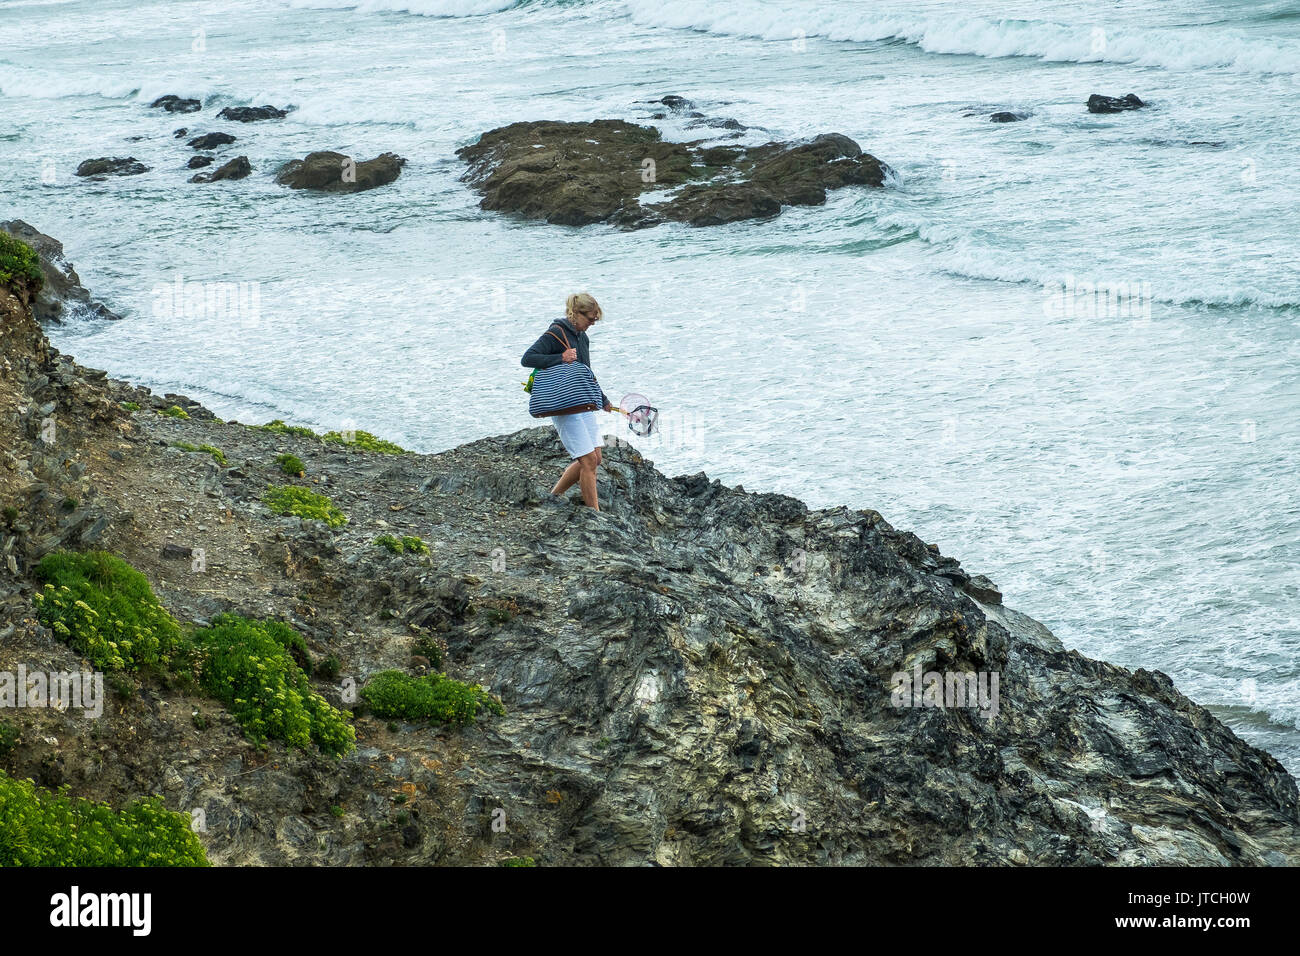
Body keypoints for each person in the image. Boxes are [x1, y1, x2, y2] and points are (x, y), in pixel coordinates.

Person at [521, 292, 613, 510]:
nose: (592, 323)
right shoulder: (555, 333)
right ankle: (595, 514)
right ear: (575, 313)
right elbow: (528, 358)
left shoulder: (583, 337)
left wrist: (603, 399)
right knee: (588, 461)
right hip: (562, 404)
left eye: (595, 319)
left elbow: (586, 372)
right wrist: (560, 357)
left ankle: (553, 496)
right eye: (590, 318)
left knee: (596, 458)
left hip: (581, 402)